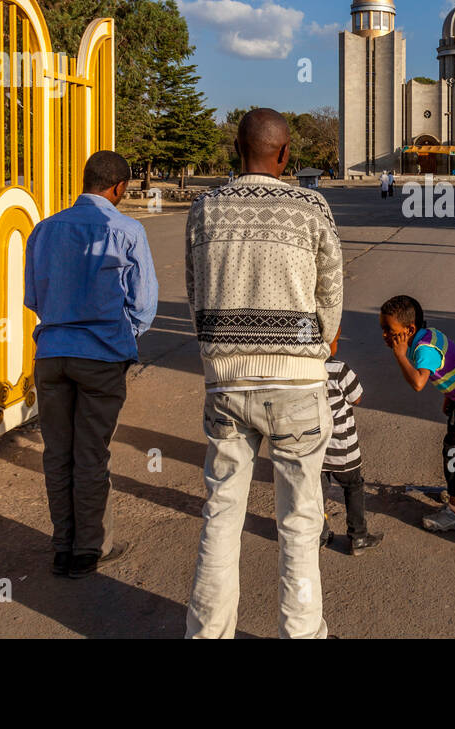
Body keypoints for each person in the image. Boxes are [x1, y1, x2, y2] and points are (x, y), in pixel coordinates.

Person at [185, 108, 342, 639]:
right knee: (299, 524)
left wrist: (218, 354)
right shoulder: (311, 205)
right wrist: (318, 341)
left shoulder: (204, 208)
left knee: (221, 514)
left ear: (235, 148)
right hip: (298, 383)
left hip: (228, 383)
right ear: (285, 155)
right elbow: (331, 294)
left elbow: (195, 295)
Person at [24, 151, 158, 578]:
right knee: (92, 454)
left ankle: (63, 544)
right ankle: (89, 549)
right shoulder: (128, 230)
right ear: (119, 187)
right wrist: (121, 336)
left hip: (52, 354)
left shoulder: (44, 230)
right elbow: (144, 304)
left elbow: (33, 299)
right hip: (101, 356)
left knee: (57, 453)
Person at [380, 295, 455, 532]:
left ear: (409, 329)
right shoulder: (429, 334)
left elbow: (419, 383)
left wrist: (400, 355)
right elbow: (450, 362)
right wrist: (448, 395)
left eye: (389, 330)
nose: (385, 335)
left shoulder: (423, 349)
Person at [320, 329, 383, 554]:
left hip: (315, 448)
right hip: (342, 446)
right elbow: (357, 397)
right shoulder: (339, 369)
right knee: (353, 487)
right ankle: (358, 537)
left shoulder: (301, 367)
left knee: (318, 491)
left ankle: (319, 535)